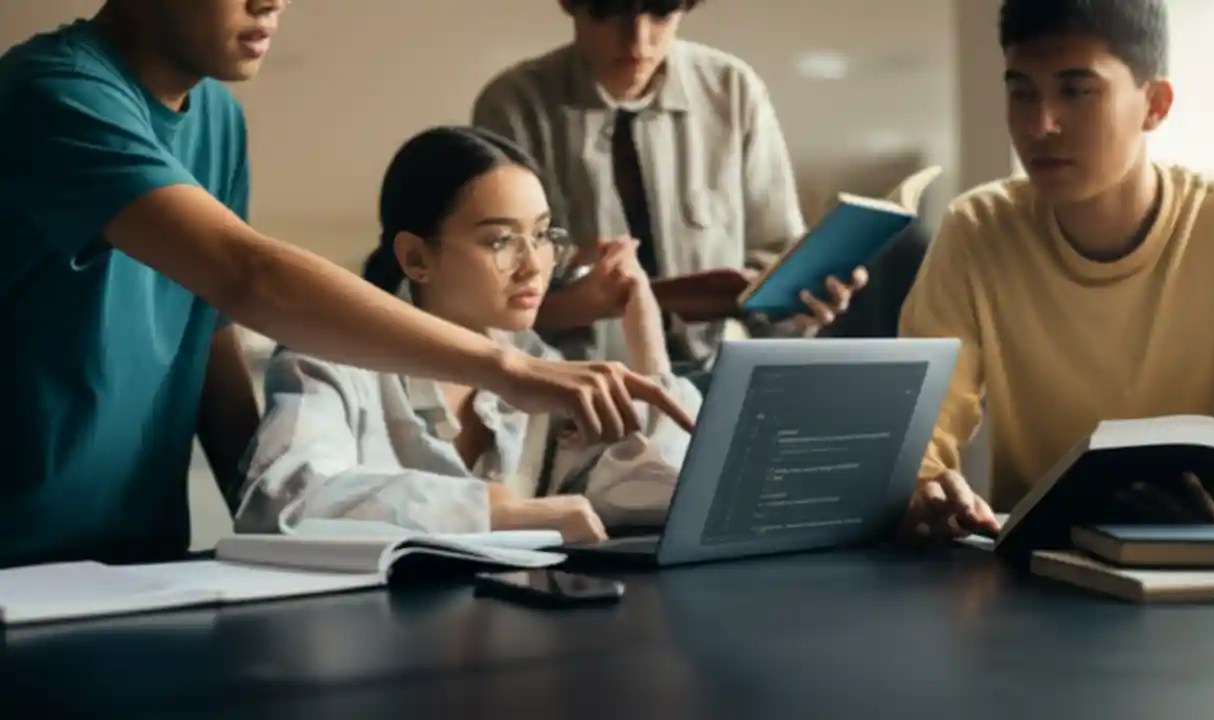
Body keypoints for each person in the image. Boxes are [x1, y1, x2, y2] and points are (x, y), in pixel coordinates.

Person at [0, 0, 692, 569]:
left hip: (137, 557)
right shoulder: (52, 95)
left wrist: (268, 504)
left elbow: (208, 324)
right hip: (21, 556)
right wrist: (509, 368)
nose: (271, 3)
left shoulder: (216, 117)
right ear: (414, 257)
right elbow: (247, 276)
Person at [897, 0, 1214, 544]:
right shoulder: (975, 230)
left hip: (1203, 559)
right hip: (1039, 570)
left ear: (1155, 104)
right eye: (1021, 90)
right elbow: (918, 438)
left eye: (1077, 91)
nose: (1040, 124)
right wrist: (925, 489)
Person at [236, 127, 700, 543]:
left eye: (541, 235)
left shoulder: (540, 364)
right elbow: (279, 503)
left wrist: (647, 342)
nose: (534, 264)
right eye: (500, 241)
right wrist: (499, 511)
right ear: (417, 258)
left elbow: (673, 492)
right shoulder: (328, 357)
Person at [472, 0, 865, 370]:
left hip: (718, 372)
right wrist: (585, 300)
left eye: (661, 13)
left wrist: (803, 298)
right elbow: (489, 297)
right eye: (611, 13)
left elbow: (773, 252)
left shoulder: (731, 90)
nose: (638, 41)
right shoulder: (514, 105)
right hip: (574, 387)